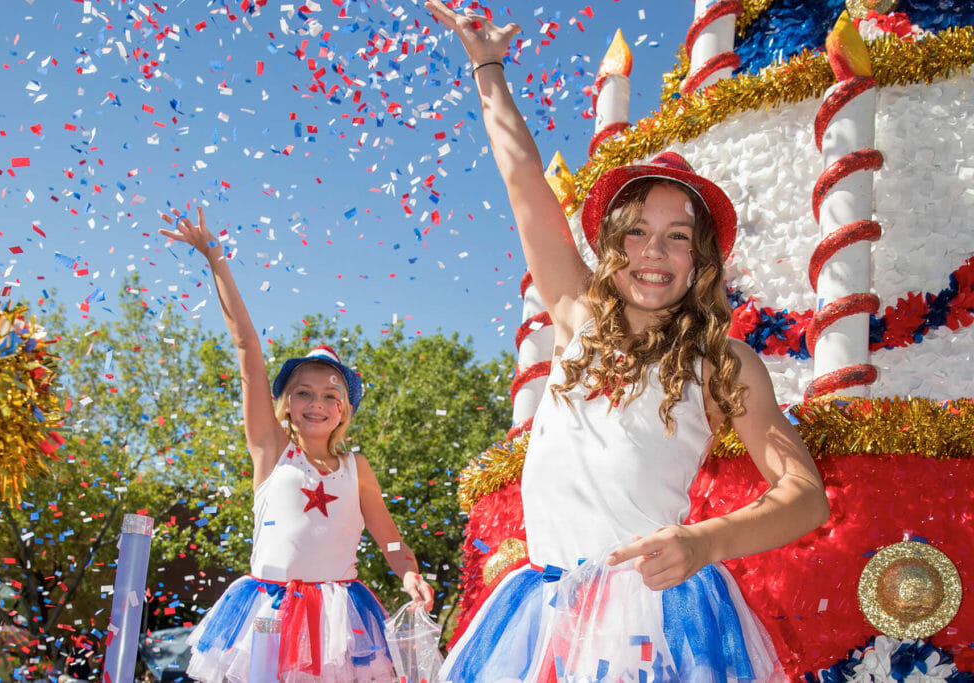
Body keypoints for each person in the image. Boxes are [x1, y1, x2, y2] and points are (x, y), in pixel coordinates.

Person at [425, 2, 830, 680]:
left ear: (701, 259)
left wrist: (705, 540)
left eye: (678, 236)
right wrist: (488, 68)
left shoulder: (723, 362)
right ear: (610, 247)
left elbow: (804, 493)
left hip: (655, 613)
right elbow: (525, 181)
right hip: (542, 607)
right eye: (637, 231)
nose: (654, 251)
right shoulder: (575, 310)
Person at [159, 207, 434, 683]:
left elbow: (388, 537)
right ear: (286, 403)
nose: (316, 403)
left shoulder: (356, 467)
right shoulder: (270, 448)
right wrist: (214, 259)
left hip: (338, 619)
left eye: (331, 395)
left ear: (344, 410)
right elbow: (247, 350)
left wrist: (408, 572)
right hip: (268, 612)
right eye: (303, 392)